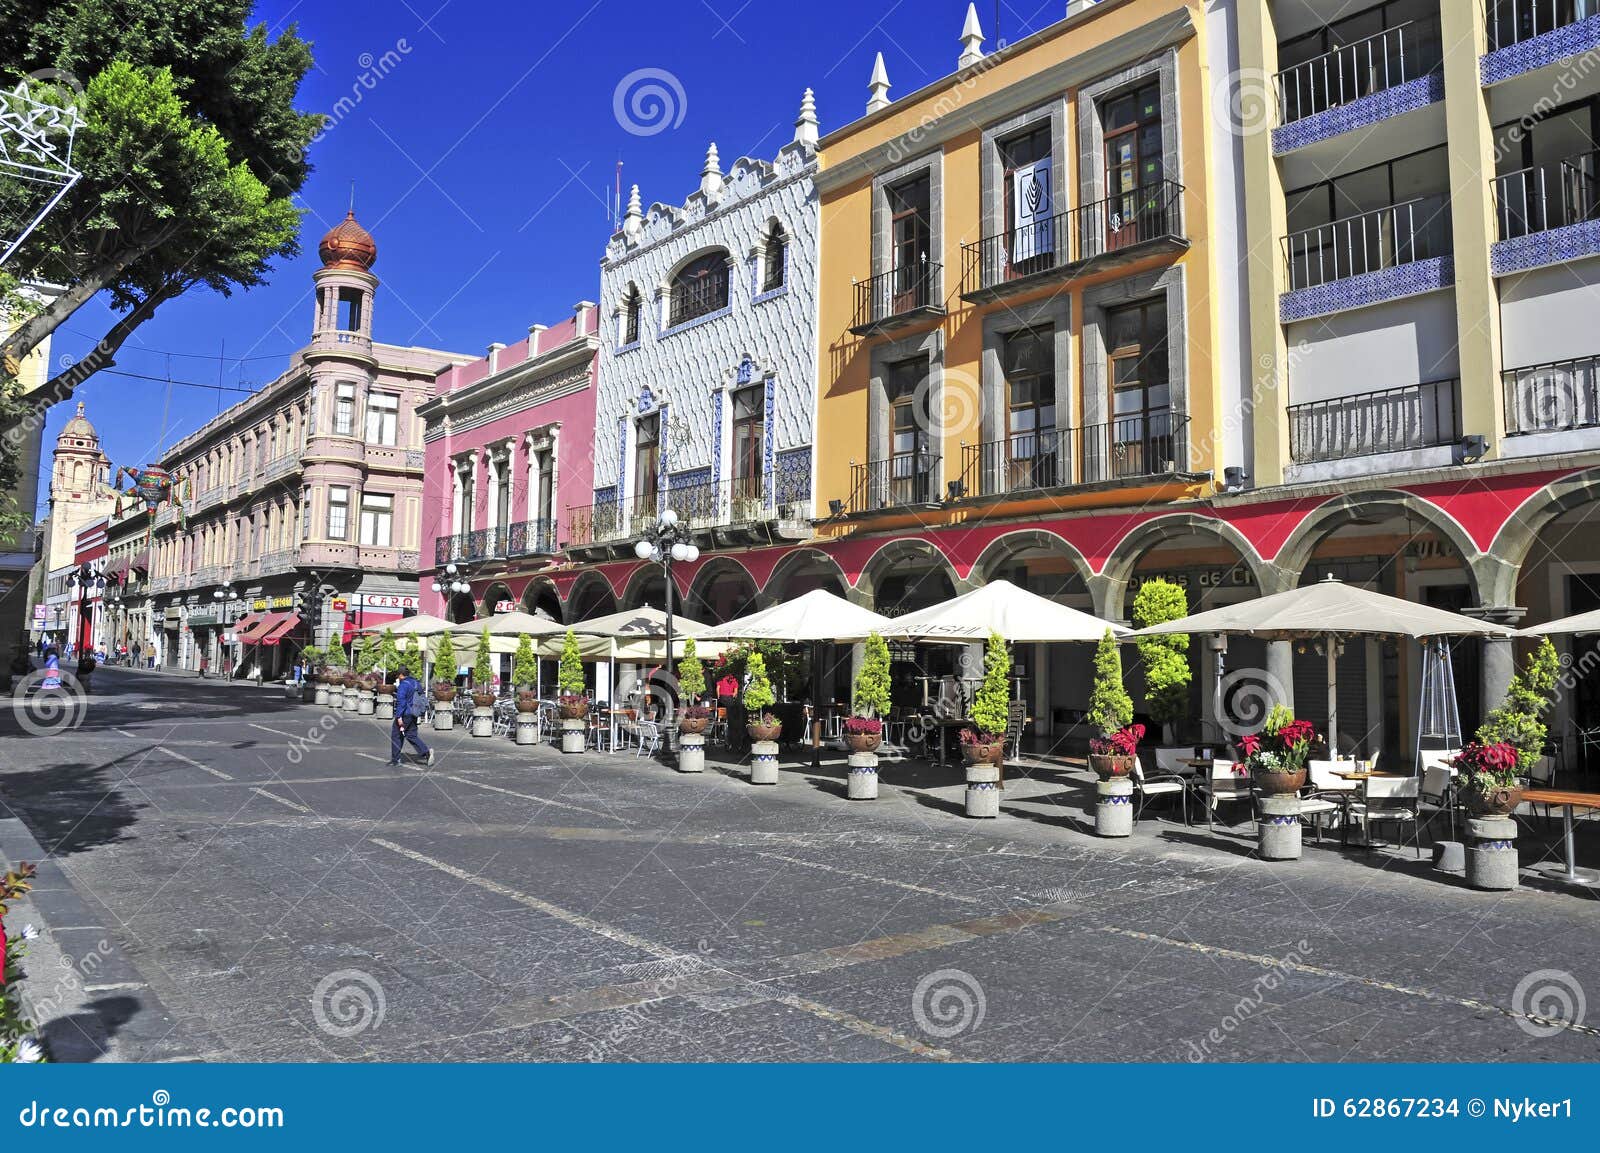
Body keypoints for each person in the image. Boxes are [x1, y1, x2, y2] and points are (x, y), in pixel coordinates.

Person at [389, 666, 434, 767]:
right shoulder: (416, 683)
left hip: (405, 714)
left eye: (398, 675)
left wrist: (399, 716)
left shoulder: (403, 685)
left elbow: (401, 702)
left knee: (396, 735)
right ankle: (426, 752)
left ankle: (396, 759)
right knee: (411, 735)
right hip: (414, 713)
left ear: (401, 675)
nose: (397, 677)